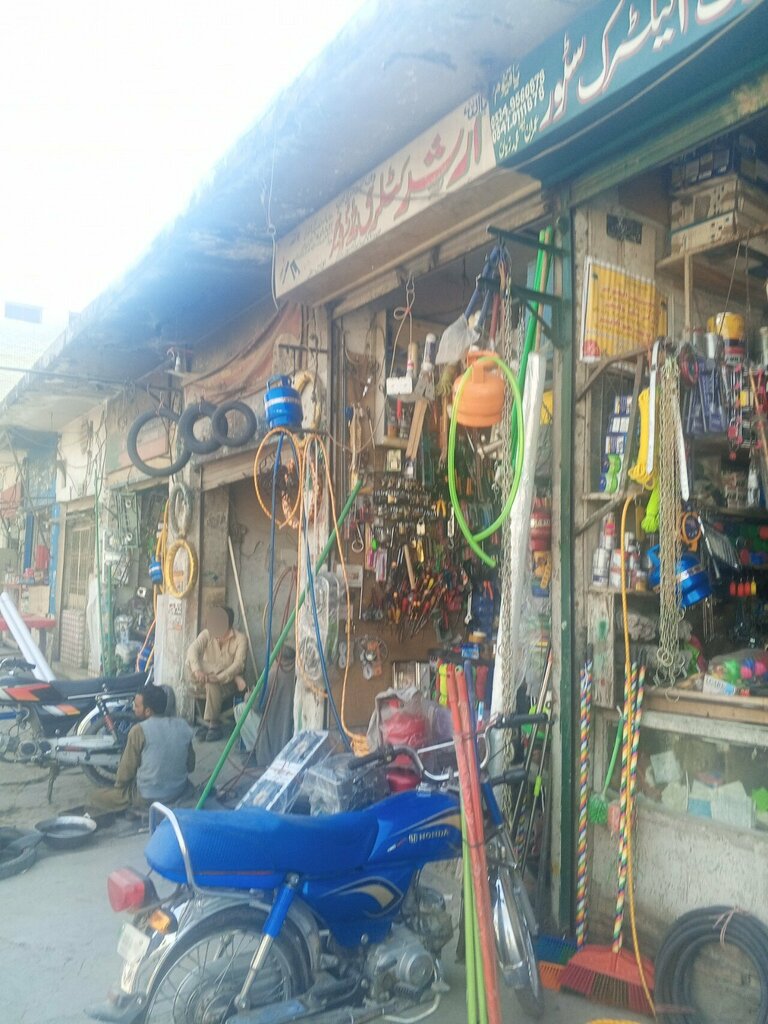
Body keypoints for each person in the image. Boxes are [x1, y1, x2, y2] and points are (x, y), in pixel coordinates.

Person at [88, 684, 194, 816]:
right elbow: (191, 766)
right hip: (179, 791)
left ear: (148, 711)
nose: (133, 708)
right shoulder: (183, 725)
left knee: (95, 797)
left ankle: (136, 808)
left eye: (137, 706)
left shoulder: (139, 730)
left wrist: (120, 790)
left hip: (148, 796)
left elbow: (125, 773)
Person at [186, 604, 247, 741]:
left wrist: (219, 677)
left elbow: (238, 665)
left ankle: (212, 724)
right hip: (202, 678)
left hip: (226, 683)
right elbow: (192, 650)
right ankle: (212, 724)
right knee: (190, 661)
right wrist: (198, 671)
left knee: (212, 682)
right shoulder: (207, 634)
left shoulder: (240, 639)